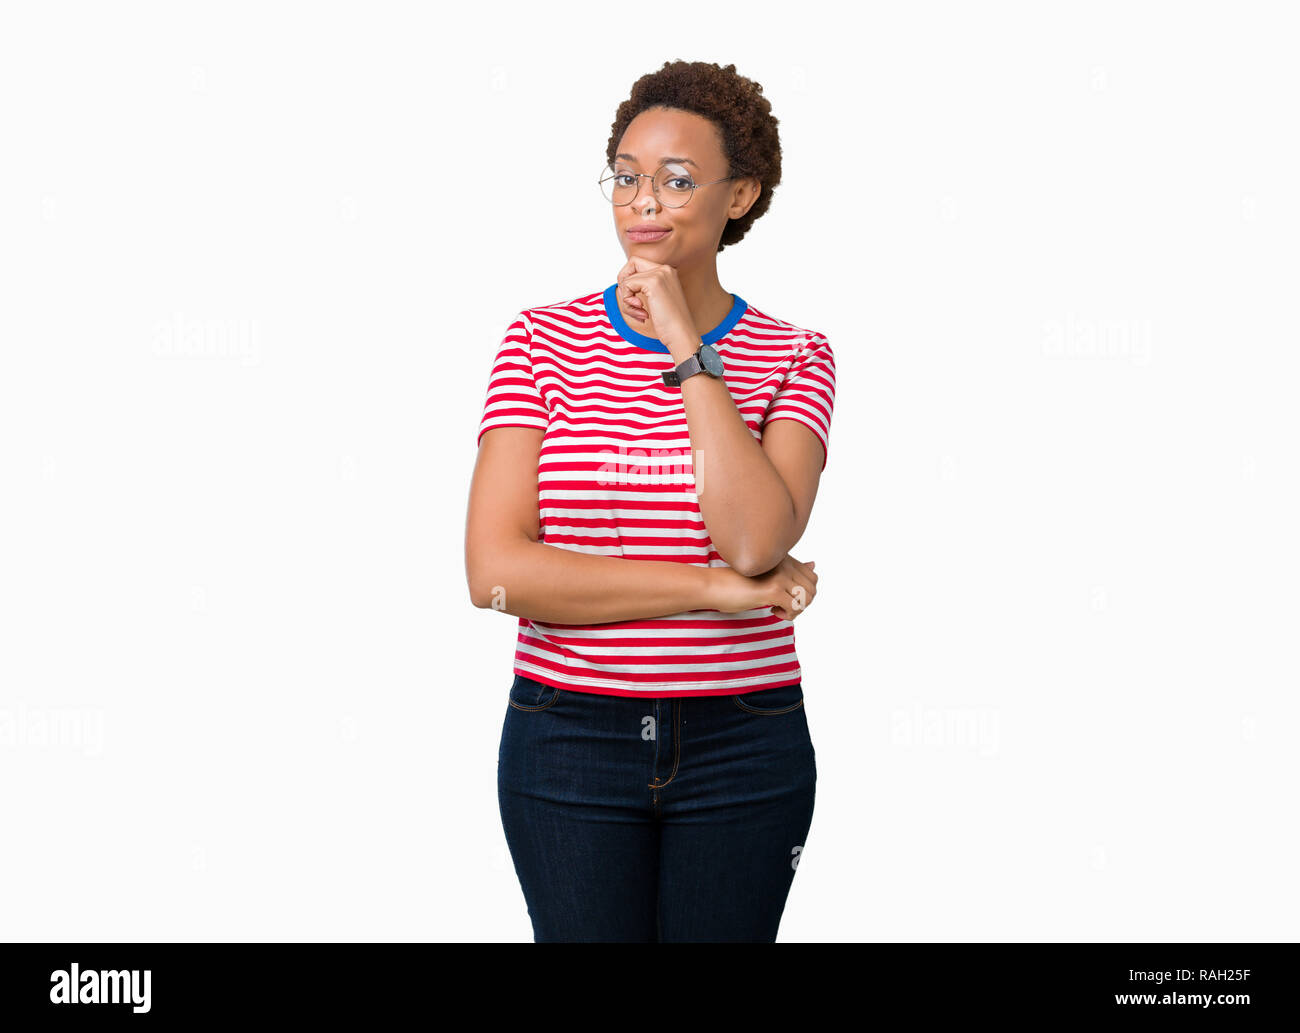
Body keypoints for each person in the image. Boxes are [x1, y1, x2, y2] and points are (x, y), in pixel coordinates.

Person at [465, 60, 836, 942]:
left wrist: (684, 343)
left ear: (739, 195)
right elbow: (497, 573)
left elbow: (752, 540)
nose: (644, 202)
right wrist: (709, 591)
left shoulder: (796, 354)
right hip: (568, 735)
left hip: (745, 738)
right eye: (626, 177)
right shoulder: (538, 341)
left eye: (676, 181)